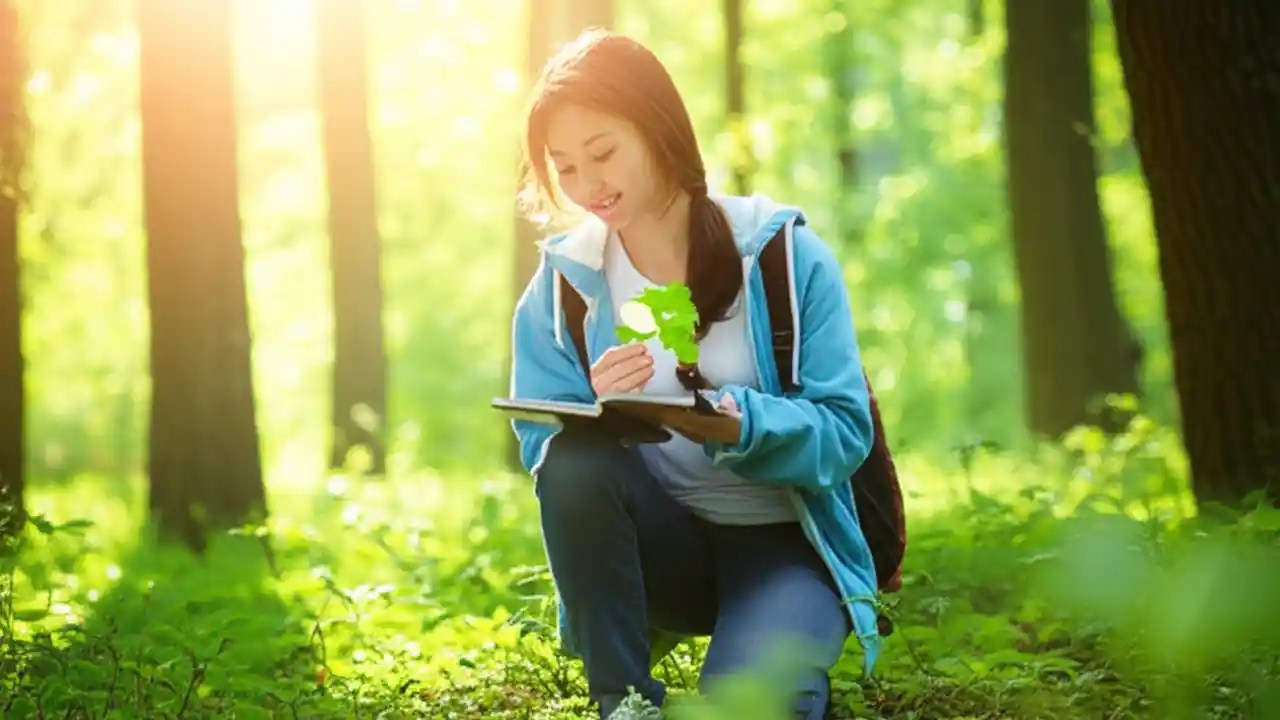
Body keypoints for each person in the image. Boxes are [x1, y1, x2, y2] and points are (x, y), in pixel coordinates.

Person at [507, 28, 883, 720]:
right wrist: (601, 404)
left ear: (658, 130)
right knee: (574, 463)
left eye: (603, 153)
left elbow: (845, 430)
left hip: (784, 546)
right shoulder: (566, 285)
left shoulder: (779, 257)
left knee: (752, 705)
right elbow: (544, 446)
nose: (588, 187)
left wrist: (741, 421)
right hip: (662, 547)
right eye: (565, 169)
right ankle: (624, 703)